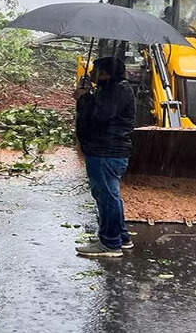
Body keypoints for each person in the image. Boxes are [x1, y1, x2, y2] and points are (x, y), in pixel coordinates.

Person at [73, 56, 136, 258]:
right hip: (104, 150)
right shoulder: (111, 89)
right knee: (110, 195)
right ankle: (120, 237)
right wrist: (88, 94)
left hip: (106, 151)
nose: (91, 74)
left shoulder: (117, 91)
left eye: (95, 70)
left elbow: (100, 116)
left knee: (107, 197)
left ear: (105, 73)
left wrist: (83, 98)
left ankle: (110, 244)